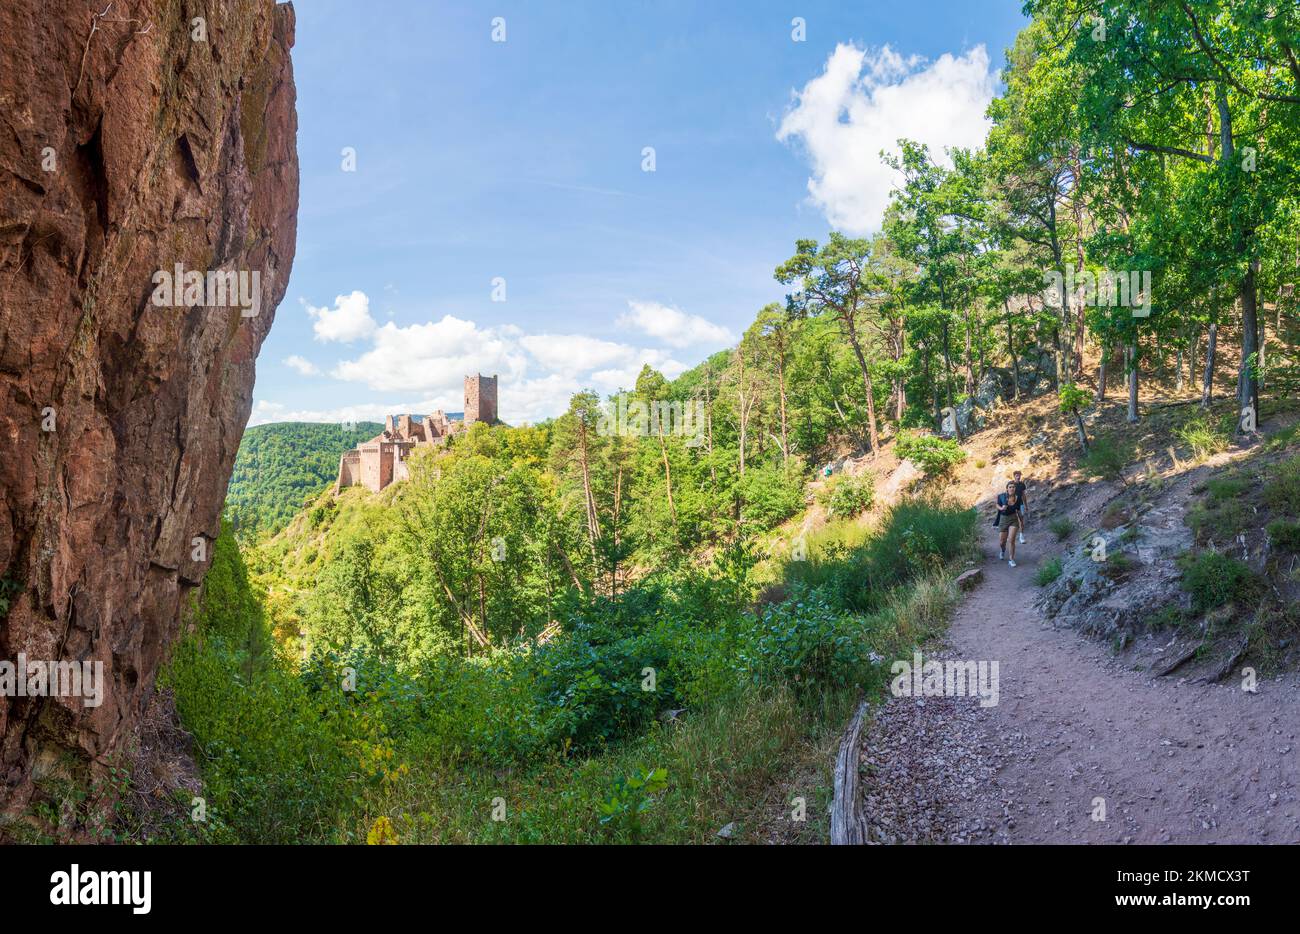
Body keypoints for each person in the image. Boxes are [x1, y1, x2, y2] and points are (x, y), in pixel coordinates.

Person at [995, 481, 1022, 567]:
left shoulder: (1018, 498)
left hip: (1013, 519)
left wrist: (1021, 521)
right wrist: (1001, 508)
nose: (1012, 488)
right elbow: (997, 505)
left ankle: (1011, 559)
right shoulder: (1002, 496)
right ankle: (1003, 550)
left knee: (1011, 540)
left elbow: (1018, 510)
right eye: (1010, 487)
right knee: (1002, 542)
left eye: (1013, 487)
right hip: (1003, 519)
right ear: (1007, 488)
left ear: (1015, 488)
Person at [1012, 470, 1028, 545]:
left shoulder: (1022, 484)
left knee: (1021, 520)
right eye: (1017, 475)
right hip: (1012, 504)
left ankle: (1021, 537)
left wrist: (1026, 505)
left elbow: (1023, 495)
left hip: (1020, 504)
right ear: (1014, 476)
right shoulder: (1011, 484)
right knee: (1012, 520)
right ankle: (1011, 536)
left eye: (1019, 475)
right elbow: (1007, 494)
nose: (1018, 476)